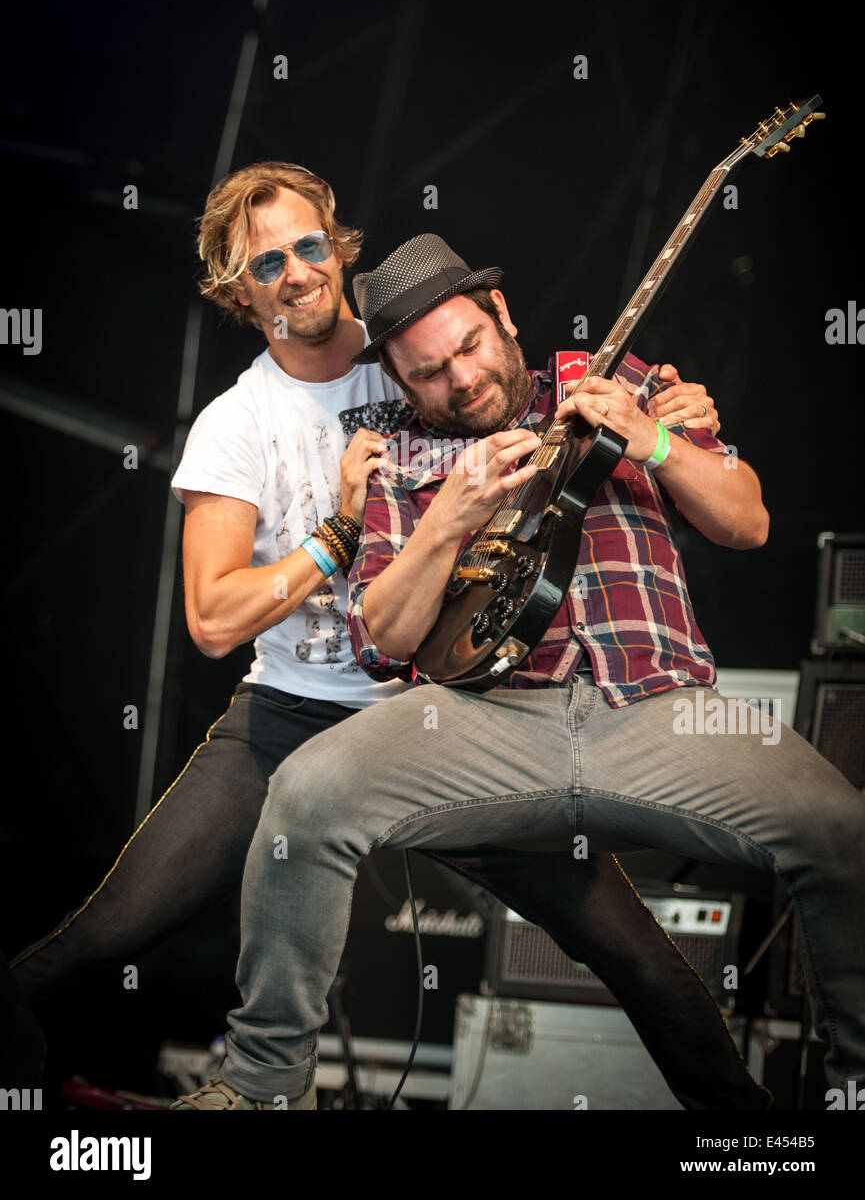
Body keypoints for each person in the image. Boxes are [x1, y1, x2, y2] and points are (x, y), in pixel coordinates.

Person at [9, 166, 756, 1111]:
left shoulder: (421, 337)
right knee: (104, 932)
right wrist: (339, 535)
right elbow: (211, 617)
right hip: (295, 719)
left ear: (338, 246)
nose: (296, 273)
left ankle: (759, 1138)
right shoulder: (237, 426)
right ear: (236, 288)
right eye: (265, 261)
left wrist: (669, 417)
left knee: (635, 956)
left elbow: (548, 389)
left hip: (460, 718)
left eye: (309, 246)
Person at [170, 233, 865, 1114]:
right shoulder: (394, 454)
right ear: (397, 377)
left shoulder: (619, 379)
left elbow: (746, 522)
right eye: (428, 374)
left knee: (842, 828)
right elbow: (382, 640)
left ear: (500, 315)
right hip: (481, 722)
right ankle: (265, 1088)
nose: (460, 380)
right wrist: (446, 519)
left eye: (468, 347)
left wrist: (652, 439)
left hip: (658, 705)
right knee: (307, 796)